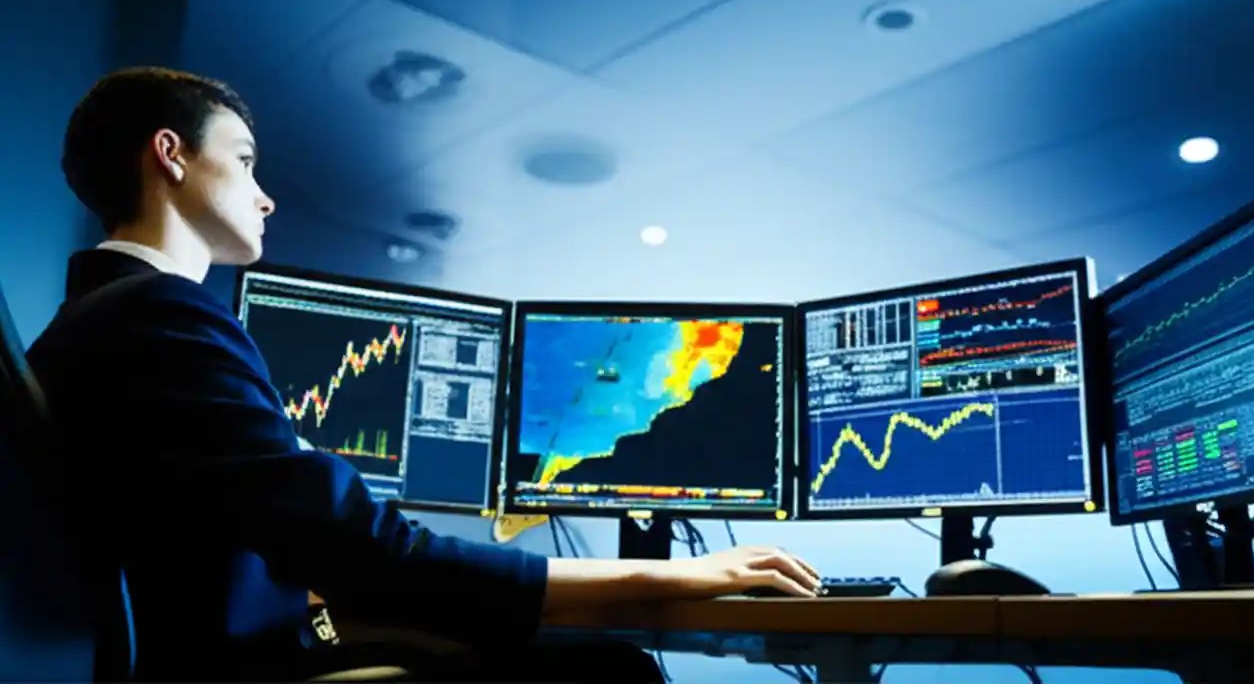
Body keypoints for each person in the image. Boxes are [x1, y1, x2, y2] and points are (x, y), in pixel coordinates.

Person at [23, 67, 821, 682]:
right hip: (245, 670)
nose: (265, 199)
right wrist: (668, 573)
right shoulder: (163, 318)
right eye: (244, 161)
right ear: (170, 154)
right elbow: (370, 553)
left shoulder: (95, 321)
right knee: (609, 669)